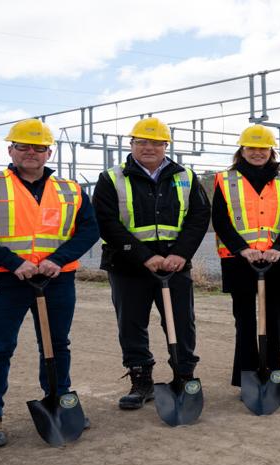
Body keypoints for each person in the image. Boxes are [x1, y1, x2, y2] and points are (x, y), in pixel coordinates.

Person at [0, 118, 99, 448]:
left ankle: (60, 402)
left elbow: (88, 230)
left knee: (56, 343)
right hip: (3, 280)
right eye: (23, 146)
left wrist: (57, 260)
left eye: (38, 148)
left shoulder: (70, 189)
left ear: (49, 153)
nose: (31, 153)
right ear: (11, 150)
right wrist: (12, 262)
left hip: (56, 279)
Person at [94, 117, 211, 409]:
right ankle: (141, 379)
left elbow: (198, 217)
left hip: (174, 265)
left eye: (156, 142)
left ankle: (184, 375)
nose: (148, 147)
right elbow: (106, 222)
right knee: (132, 323)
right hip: (128, 265)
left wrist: (180, 254)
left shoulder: (186, 176)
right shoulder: (111, 178)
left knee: (182, 321)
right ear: (131, 144)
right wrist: (145, 256)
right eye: (141, 142)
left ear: (165, 145)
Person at [211, 124, 280, 393]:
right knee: (246, 321)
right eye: (252, 148)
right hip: (239, 260)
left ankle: (271, 370)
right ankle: (246, 375)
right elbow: (221, 220)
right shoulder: (225, 180)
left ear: (271, 151)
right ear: (242, 150)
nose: (258, 153)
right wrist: (242, 248)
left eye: (263, 148)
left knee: (274, 319)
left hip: (276, 259)